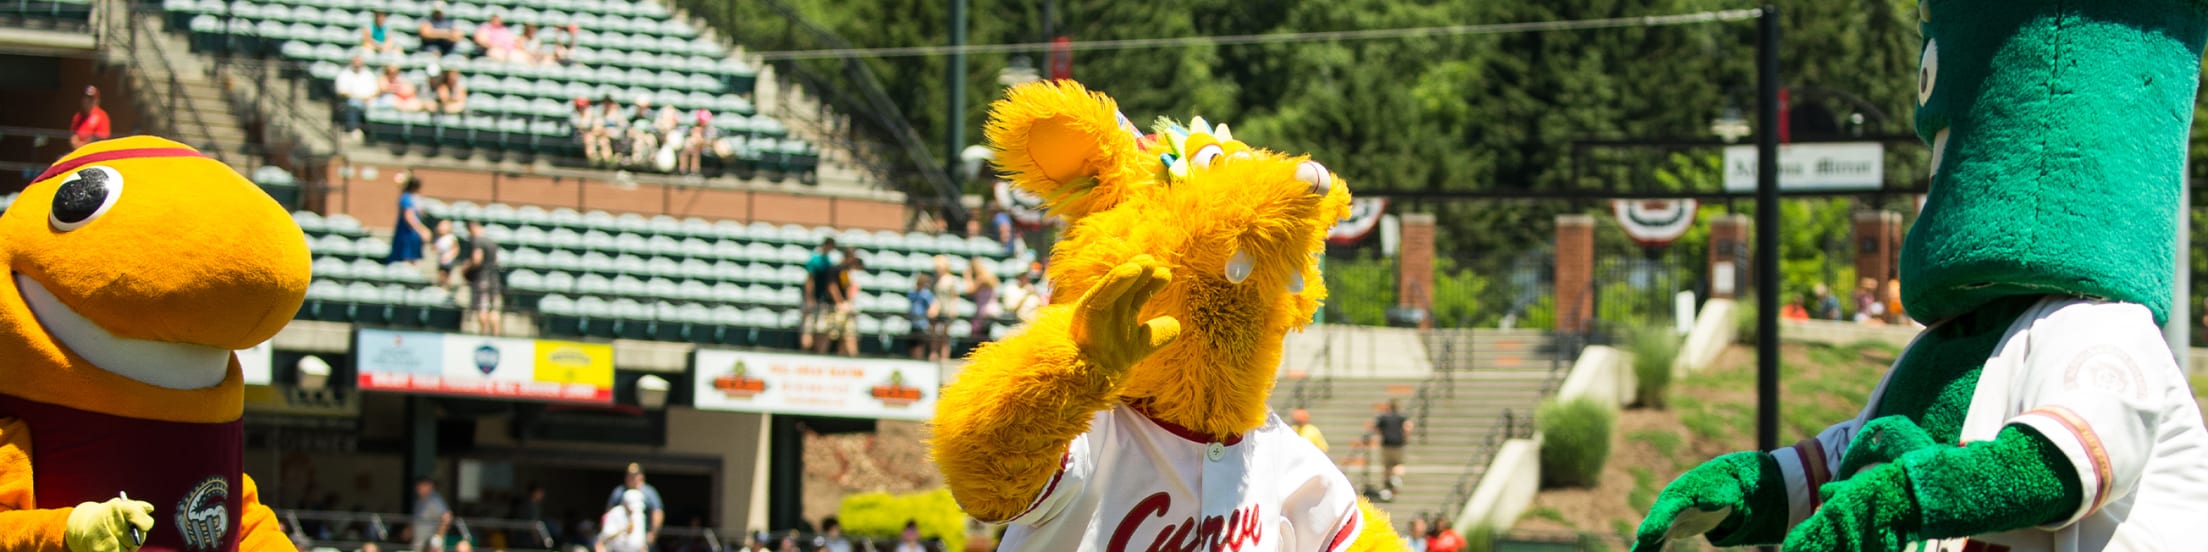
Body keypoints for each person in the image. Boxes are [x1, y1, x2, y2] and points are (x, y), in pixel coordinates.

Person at [602, 463, 664, 547]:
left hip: (642, 536)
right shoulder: (619, 492)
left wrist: (653, 533)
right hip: (620, 536)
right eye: (629, 476)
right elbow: (608, 513)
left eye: (634, 476)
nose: (631, 479)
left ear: (641, 477)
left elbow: (657, 513)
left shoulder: (649, 492)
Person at [1367, 399, 1413, 501]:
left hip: (1386, 444)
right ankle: (1396, 479)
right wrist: (1406, 438)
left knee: (1386, 467)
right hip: (1398, 444)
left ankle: (1387, 484)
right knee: (1399, 464)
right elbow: (1408, 427)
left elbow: (1376, 428)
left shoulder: (1384, 417)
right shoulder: (1402, 417)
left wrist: (1383, 434)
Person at [799, 238, 840, 351]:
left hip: (823, 300)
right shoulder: (815, 259)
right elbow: (809, 280)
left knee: (821, 329)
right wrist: (809, 298)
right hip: (812, 299)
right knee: (808, 328)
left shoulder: (828, 260)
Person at [466, 220, 503, 336]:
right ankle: (496, 334)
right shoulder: (492, 242)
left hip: (482, 278)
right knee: (494, 309)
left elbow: (477, 259)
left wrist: (466, 267)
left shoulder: (478, 241)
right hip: (494, 278)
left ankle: (484, 333)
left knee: (482, 307)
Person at [386, 174, 431, 265]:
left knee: (412, 260)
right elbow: (409, 217)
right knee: (405, 261)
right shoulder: (406, 198)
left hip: (412, 235)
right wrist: (421, 230)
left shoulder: (413, 198)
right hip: (407, 235)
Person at [334, 56, 380, 140]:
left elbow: (376, 90)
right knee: (354, 103)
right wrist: (357, 97)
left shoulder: (369, 74)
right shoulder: (344, 74)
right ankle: (353, 129)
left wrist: (368, 98)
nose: (357, 65)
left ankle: (373, 134)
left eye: (359, 62)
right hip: (350, 99)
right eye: (355, 62)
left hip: (368, 100)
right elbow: (341, 91)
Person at [928, 255, 962, 361]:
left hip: (946, 308)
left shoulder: (950, 279)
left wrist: (953, 308)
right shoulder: (934, 279)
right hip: (936, 308)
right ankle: (933, 354)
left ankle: (944, 357)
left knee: (945, 335)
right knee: (934, 334)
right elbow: (933, 295)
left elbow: (954, 296)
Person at [411, 477, 453, 552]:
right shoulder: (419, 500)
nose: (419, 487)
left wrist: (437, 538)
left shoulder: (435, 500)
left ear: (430, 486)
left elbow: (447, 517)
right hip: (418, 545)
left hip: (431, 547)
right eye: (418, 485)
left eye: (423, 485)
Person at [836, 250, 864, 356]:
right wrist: (848, 303)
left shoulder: (852, 273)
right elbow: (847, 288)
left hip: (852, 306)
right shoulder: (846, 272)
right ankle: (852, 356)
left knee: (848, 335)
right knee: (848, 335)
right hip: (849, 306)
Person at [963, 257, 999, 338]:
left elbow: (970, 290)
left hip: (987, 312)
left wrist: (967, 276)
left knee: (981, 338)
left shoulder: (983, 278)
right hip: (986, 312)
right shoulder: (988, 276)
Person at [678, 109, 715, 176]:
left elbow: (710, 142)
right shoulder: (694, 126)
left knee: (696, 150)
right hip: (693, 146)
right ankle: (683, 170)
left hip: (705, 147)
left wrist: (700, 141)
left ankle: (694, 171)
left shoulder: (710, 128)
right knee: (687, 148)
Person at [908, 274, 935, 360]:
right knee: (913, 344)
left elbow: (933, 306)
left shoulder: (926, 294)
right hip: (913, 322)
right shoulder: (912, 293)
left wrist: (929, 314)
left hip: (922, 322)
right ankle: (914, 360)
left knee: (920, 345)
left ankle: (919, 360)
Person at [432, 218, 462, 286]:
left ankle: (447, 286)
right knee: (441, 274)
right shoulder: (438, 238)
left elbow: (456, 249)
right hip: (440, 260)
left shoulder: (451, 238)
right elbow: (434, 248)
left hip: (448, 261)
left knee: (446, 274)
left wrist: (450, 255)